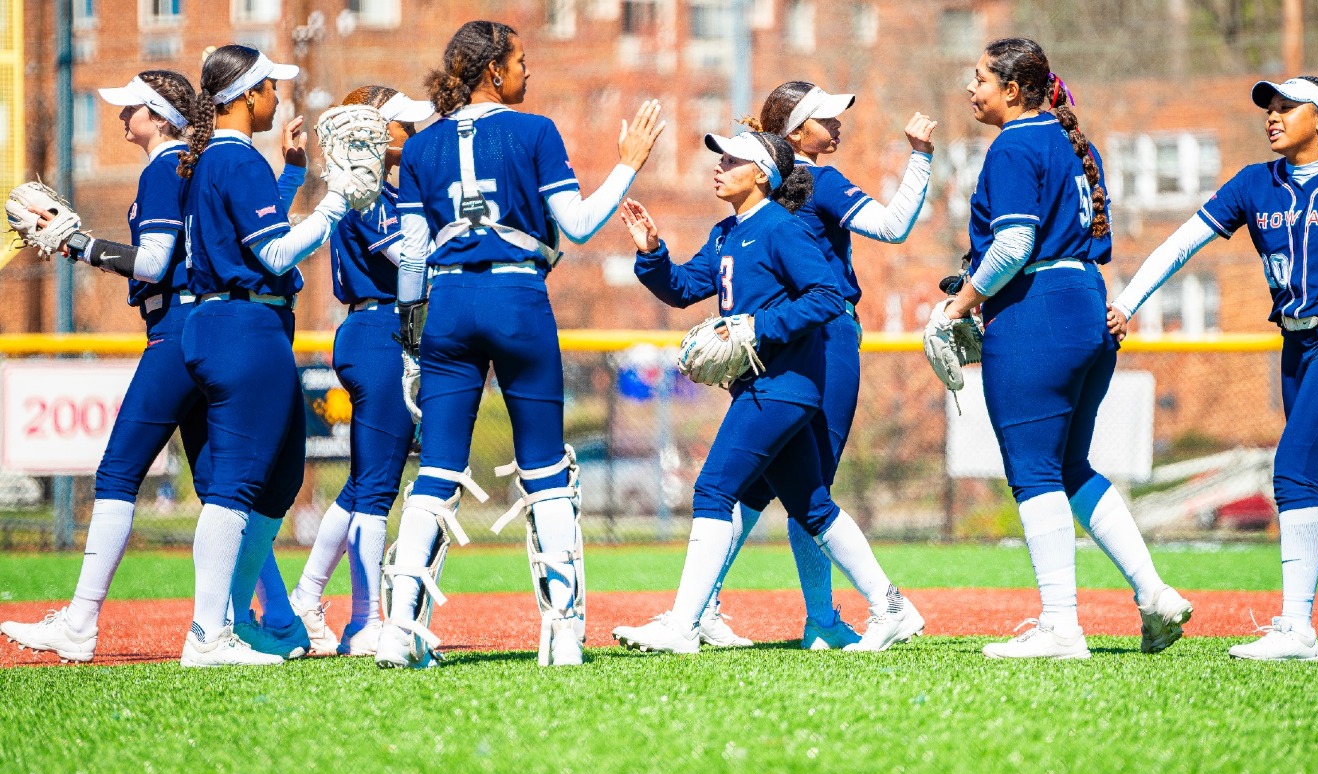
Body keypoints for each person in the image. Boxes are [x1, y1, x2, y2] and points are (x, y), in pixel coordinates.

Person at [376, 20, 665, 669]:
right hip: (516, 298)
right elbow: (581, 225)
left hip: (447, 303)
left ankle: (398, 628)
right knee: (542, 466)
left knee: (438, 468)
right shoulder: (534, 131)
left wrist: (410, 328)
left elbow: (415, 255)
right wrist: (629, 163)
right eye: (520, 62)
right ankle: (563, 631)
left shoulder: (421, 149)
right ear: (493, 71)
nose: (527, 73)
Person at [1109, 75, 1318, 661]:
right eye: (1268, 108)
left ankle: (1296, 629)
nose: (1272, 116)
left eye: (1286, 107)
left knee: (1294, 474)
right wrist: (1126, 302)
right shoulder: (1256, 183)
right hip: (1299, 349)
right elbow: (1180, 244)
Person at [611, 129, 924, 655]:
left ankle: (683, 626)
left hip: (784, 384)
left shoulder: (781, 228)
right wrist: (653, 254)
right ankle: (891, 606)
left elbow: (827, 296)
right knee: (813, 507)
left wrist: (759, 328)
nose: (718, 165)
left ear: (761, 174)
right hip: (761, 384)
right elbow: (684, 288)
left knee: (712, 490)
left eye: (731, 159)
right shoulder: (726, 234)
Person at [935, 37, 1192, 659]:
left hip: (1036, 312)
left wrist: (961, 302)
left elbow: (1016, 244)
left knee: (1033, 472)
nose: (971, 90)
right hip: (1087, 303)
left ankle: (1061, 626)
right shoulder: (1075, 144)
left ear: (1014, 90)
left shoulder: (1014, 144)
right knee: (1070, 465)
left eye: (980, 80)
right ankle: (1153, 593)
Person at [699, 82, 937, 650]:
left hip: (771, 342)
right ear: (796, 133)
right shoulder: (818, 181)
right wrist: (921, 158)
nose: (837, 124)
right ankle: (822, 617)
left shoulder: (768, 193)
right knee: (802, 488)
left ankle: (718, 609)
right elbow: (894, 225)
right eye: (825, 118)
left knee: (758, 484)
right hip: (823, 336)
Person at [0, 70, 211, 663]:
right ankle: (271, 617)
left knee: (117, 475)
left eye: (130, 109)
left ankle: (81, 623)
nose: (121, 118)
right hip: (199, 328)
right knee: (222, 491)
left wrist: (79, 244)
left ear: (158, 115)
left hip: (176, 332)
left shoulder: (164, 167)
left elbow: (152, 262)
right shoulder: (189, 167)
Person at [175, 44, 359, 667]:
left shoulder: (221, 160)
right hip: (241, 325)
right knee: (237, 485)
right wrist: (336, 202)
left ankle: (229, 623)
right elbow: (276, 256)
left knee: (275, 484)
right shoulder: (236, 157)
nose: (277, 98)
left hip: (236, 320)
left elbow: (253, 237)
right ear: (247, 95)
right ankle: (208, 633)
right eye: (270, 88)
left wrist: (290, 178)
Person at [288, 87, 433, 657]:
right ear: (372, 131)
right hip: (378, 332)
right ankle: (364, 619)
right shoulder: (366, 192)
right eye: (402, 125)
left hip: (379, 331)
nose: (412, 134)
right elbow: (411, 261)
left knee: (364, 482)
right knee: (376, 490)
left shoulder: (386, 190)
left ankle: (306, 596)